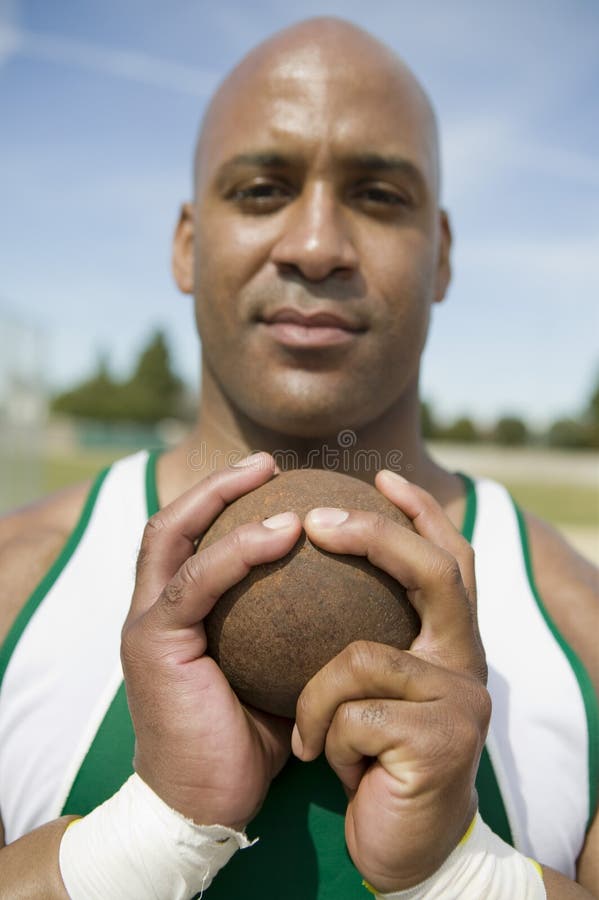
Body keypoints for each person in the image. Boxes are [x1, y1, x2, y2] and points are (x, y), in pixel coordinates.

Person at [0, 16, 597, 899]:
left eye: (378, 195)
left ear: (440, 255)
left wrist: (459, 874)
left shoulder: (581, 626)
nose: (315, 245)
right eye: (261, 189)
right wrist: (150, 838)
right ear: (186, 244)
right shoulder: (15, 582)